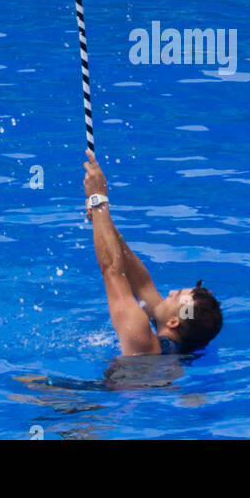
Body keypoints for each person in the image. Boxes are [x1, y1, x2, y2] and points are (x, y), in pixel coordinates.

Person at [84, 152, 223, 356]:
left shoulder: (141, 338)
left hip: (107, 388)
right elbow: (141, 284)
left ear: (173, 322)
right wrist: (105, 225)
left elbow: (112, 270)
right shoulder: (175, 343)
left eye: (177, 297)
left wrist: (99, 199)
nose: (171, 292)